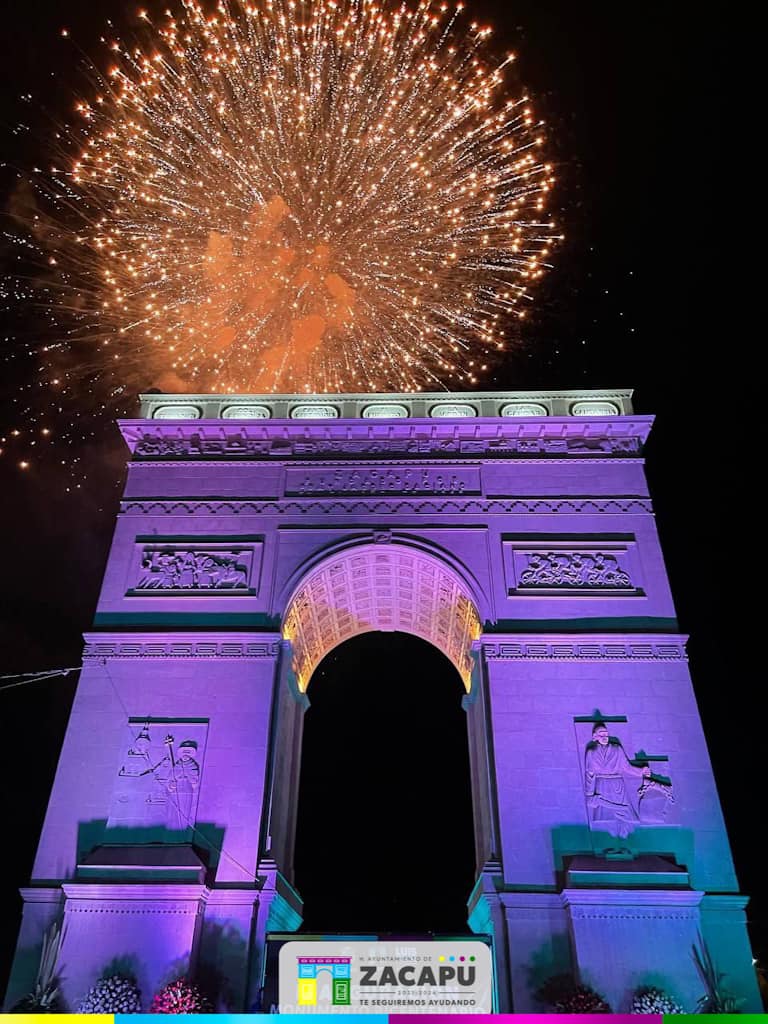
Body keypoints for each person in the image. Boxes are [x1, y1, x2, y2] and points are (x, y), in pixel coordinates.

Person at [584, 722, 650, 839]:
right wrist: (589, 794)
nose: (605, 737)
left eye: (606, 734)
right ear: (595, 737)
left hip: (617, 786)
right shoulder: (591, 752)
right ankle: (607, 837)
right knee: (604, 816)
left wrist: (641, 772)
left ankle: (626, 835)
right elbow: (589, 774)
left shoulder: (616, 749)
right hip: (601, 786)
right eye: (601, 734)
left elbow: (626, 767)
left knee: (625, 814)